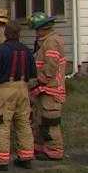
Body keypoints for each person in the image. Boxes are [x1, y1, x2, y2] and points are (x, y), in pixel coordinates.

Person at [0, 22, 37, 171]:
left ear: (6, 34)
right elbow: (33, 75)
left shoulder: (1, 50)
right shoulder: (26, 51)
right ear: (19, 34)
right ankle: (26, 158)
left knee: (2, 123)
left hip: (4, 89)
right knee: (24, 123)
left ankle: (0, 161)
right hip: (22, 88)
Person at [29, 12, 67, 161]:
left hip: (51, 90)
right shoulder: (46, 41)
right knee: (40, 121)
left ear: (42, 28)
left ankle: (54, 150)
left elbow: (50, 67)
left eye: (36, 29)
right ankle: (39, 148)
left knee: (50, 123)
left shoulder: (51, 42)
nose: (36, 33)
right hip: (44, 90)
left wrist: (38, 80)